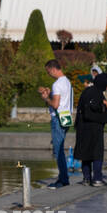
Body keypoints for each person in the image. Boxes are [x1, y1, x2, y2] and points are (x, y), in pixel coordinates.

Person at [38, 59, 74, 188]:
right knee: (60, 148)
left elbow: (55, 104)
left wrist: (46, 98)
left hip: (58, 119)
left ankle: (63, 179)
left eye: (48, 72)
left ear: (53, 69)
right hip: (66, 117)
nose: (49, 74)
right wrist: (50, 94)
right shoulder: (67, 82)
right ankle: (63, 177)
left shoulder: (57, 84)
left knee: (58, 150)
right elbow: (63, 100)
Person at [73, 71, 107, 186]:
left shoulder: (87, 91)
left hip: (82, 128)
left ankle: (86, 178)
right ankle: (97, 178)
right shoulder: (98, 94)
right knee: (97, 153)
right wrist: (106, 106)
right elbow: (96, 108)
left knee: (85, 153)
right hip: (95, 128)